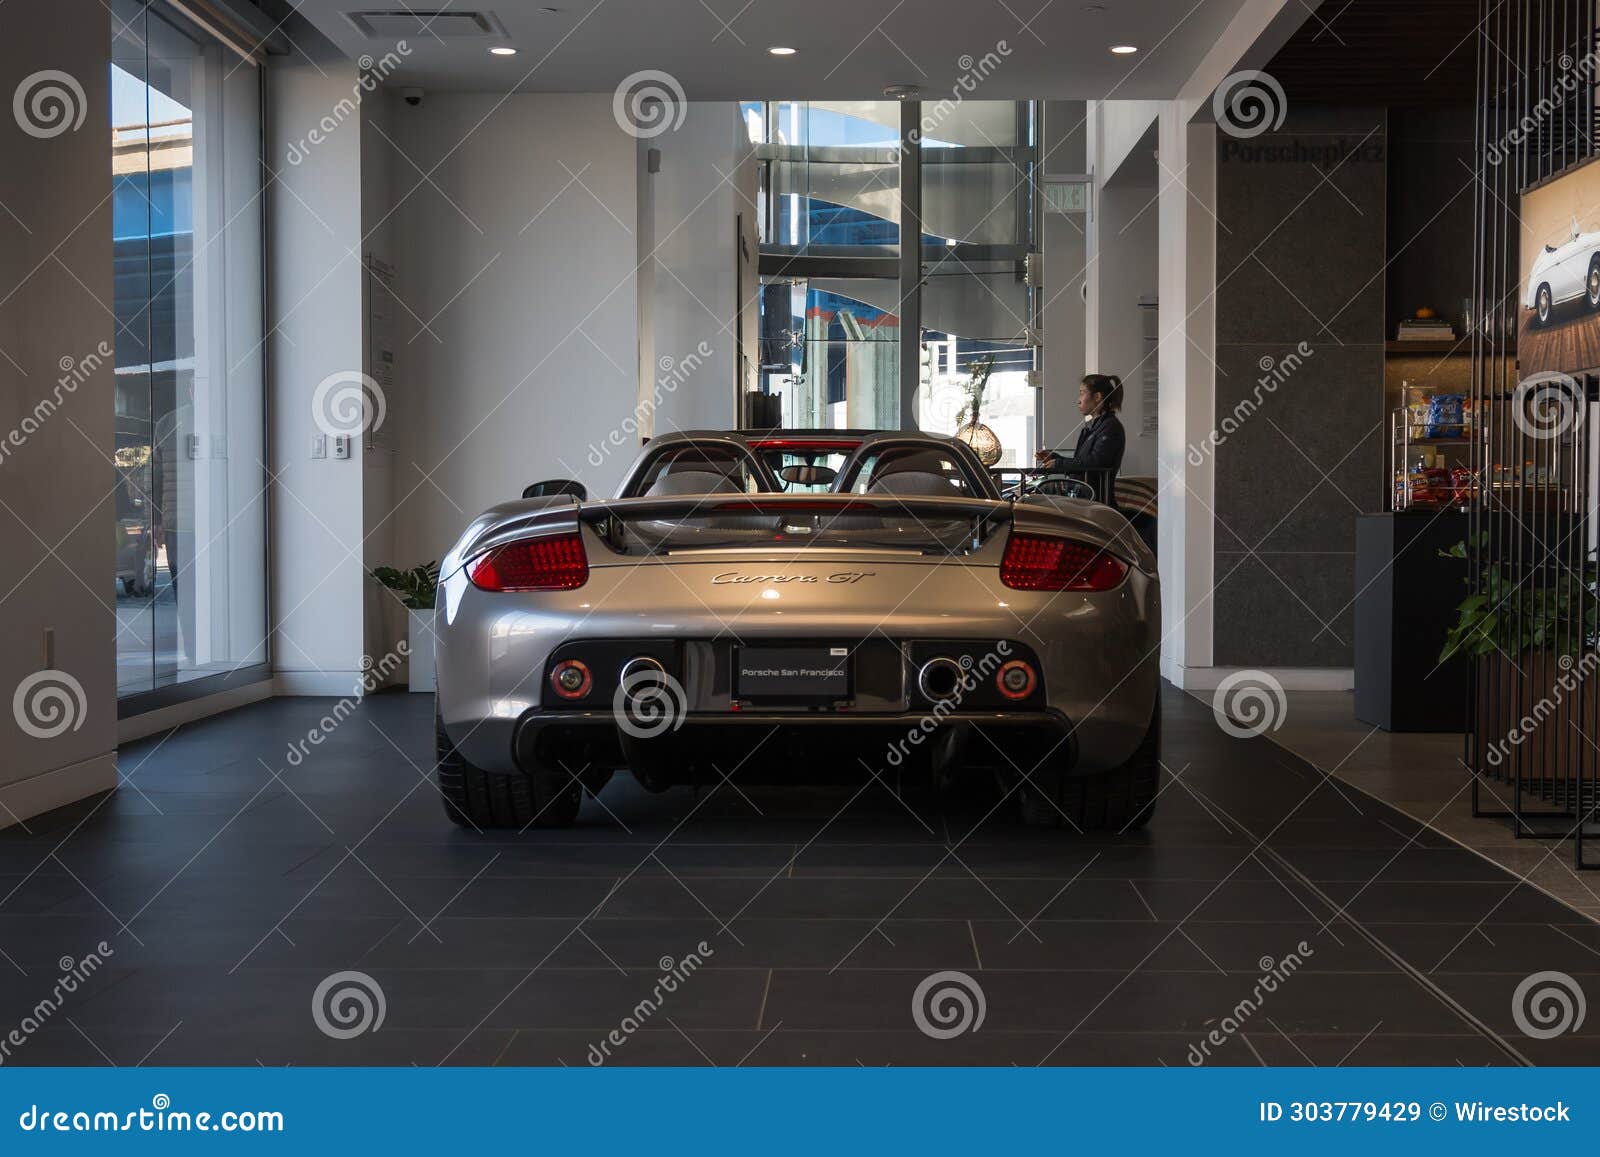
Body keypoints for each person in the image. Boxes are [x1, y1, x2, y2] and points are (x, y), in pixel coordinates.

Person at [1035, 374, 1126, 505]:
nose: (1078, 400)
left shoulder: (1110, 426)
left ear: (1097, 397)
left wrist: (1059, 464)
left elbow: (1096, 462)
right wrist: (1054, 458)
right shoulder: (1092, 427)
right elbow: (1081, 463)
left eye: (1082, 393)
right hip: (1083, 498)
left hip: (1096, 503)